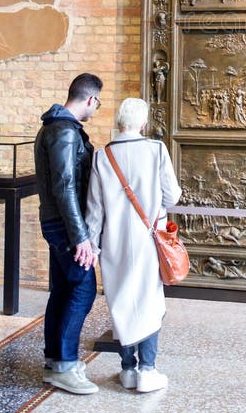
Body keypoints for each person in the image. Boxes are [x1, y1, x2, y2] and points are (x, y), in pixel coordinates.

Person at [85, 97, 182, 393]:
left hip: (113, 241)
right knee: (150, 303)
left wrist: (92, 245)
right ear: (143, 123)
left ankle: (127, 369)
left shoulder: (104, 155)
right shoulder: (156, 150)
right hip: (147, 239)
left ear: (119, 122)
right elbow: (172, 196)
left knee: (122, 303)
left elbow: (95, 208)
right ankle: (148, 371)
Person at [34, 72, 103, 395]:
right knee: (83, 288)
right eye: (97, 103)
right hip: (65, 226)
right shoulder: (64, 131)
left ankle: (54, 362)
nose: (96, 109)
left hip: (58, 222)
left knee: (63, 288)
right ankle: (63, 365)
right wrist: (81, 237)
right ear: (90, 99)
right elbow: (64, 187)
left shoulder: (56, 126)